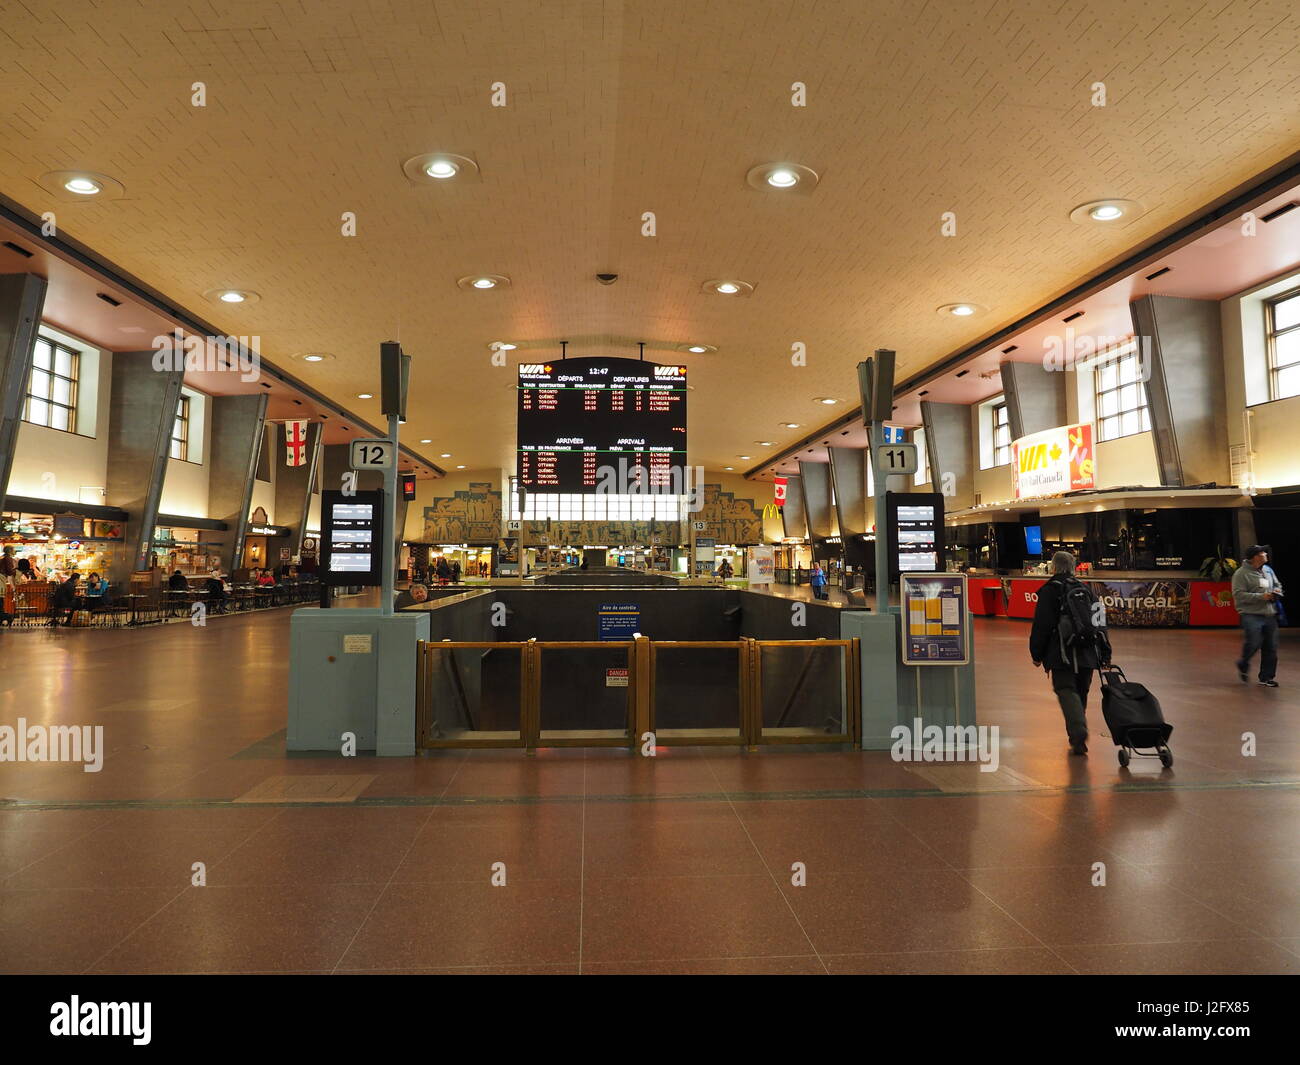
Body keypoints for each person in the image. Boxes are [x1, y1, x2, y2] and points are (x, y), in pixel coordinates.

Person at [1029, 550, 1106, 755]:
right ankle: (1077, 739)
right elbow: (1099, 621)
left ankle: (1078, 731)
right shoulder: (1085, 588)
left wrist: (1036, 654)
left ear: (1053, 567)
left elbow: (1042, 625)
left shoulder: (1050, 590)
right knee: (1081, 692)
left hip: (1062, 653)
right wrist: (1105, 651)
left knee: (1065, 689)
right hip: (1088, 652)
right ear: (1073, 567)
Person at [1232, 545, 1283, 687]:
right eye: (1262, 552)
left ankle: (1266, 677)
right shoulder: (1241, 574)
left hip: (1269, 613)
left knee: (1271, 646)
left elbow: (1278, 584)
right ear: (1255, 557)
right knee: (1254, 642)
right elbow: (1238, 595)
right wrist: (1261, 596)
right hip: (1251, 614)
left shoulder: (1268, 570)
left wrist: (1277, 591)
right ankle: (1244, 662)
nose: (1266, 553)